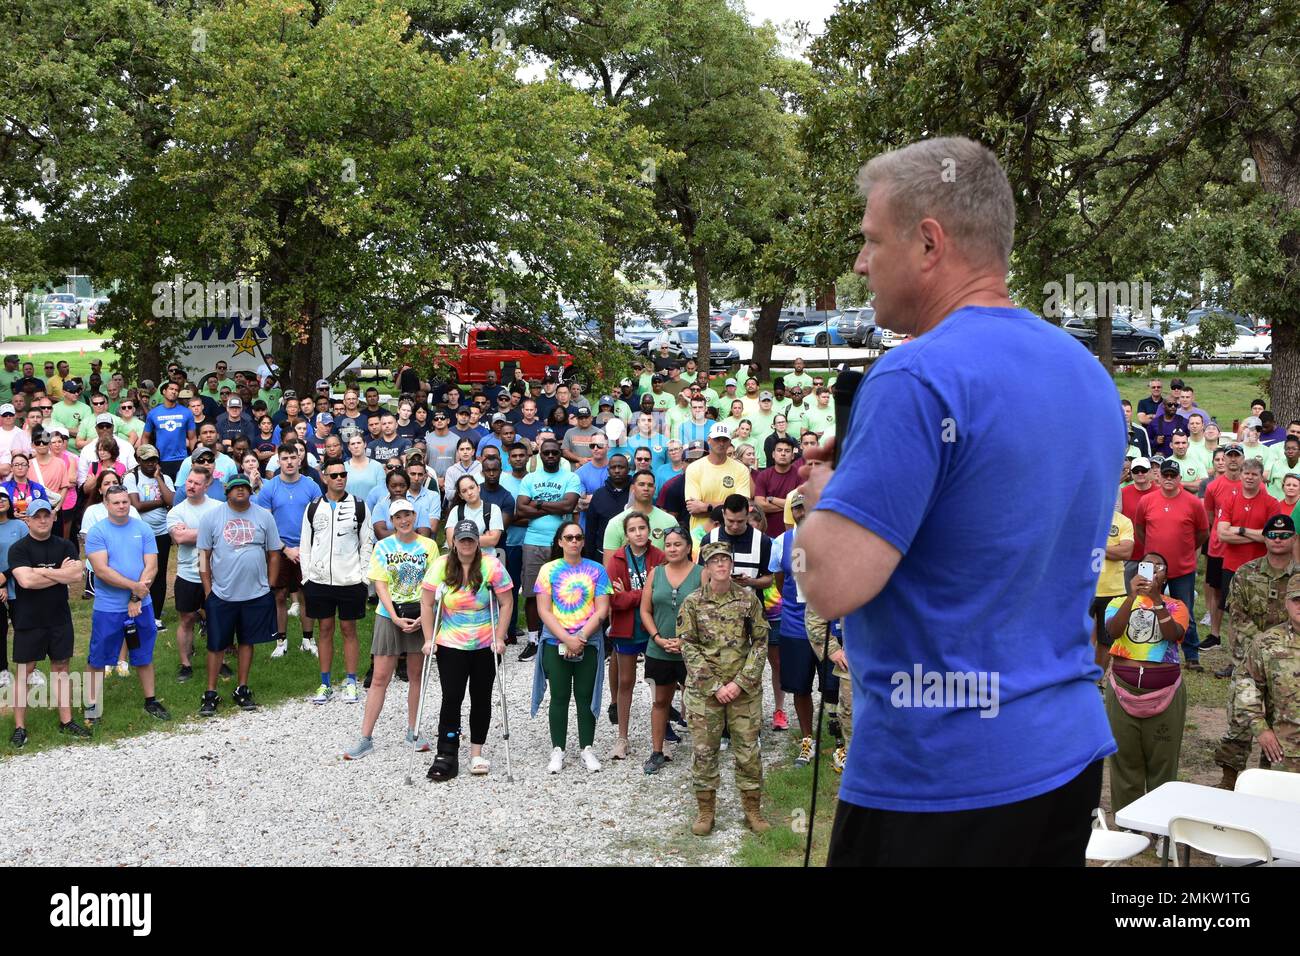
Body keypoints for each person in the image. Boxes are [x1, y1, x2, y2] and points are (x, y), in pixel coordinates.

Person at [797, 137, 1120, 866]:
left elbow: (833, 584)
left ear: (930, 243)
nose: (860, 263)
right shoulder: (1087, 372)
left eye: (871, 240)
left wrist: (820, 501)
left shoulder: (914, 375)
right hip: (1064, 756)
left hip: (941, 777)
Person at [678, 541, 771, 835]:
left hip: (743, 691)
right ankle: (706, 812)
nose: (721, 565)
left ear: (731, 565)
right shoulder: (692, 602)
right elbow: (688, 646)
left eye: (725, 561)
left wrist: (740, 683)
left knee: (748, 751)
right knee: (705, 752)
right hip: (706, 693)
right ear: (706, 567)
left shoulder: (748, 600)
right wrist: (715, 685)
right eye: (715, 561)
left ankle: (752, 811)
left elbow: (760, 642)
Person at [1208, 513, 1300, 788]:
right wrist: (1266, 646)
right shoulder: (1246, 573)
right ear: (1265, 538)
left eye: (1285, 535)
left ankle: (1269, 782)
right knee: (1240, 720)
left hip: (1289, 662)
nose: (1279, 539)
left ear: (1294, 538)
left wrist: (1281, 649)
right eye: (1273, 534)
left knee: (1280, 723)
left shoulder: (1298, 577)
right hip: (1249, 656)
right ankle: (1229, 779)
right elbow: (1237, 616)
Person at [420, 520, 514, 779]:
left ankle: (476, 753)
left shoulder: (491, 566)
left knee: (481, 696)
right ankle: (446, 753)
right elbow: (427, 604)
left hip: (485, 644)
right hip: (451, 643)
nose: (467, 544)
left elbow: (506, 602)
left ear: (477, 541)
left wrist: (500, 636)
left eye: (471, 539)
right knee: (451, 696)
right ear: (454, 542)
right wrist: (429, 639)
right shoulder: (441, 565)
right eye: (462, 540)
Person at [344, 500, 437, 758]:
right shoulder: (383, 546)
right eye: (398, 516)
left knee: (416, 675)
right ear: (392, 520)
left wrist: (424, 615)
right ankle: (365, 737)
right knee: (380, 677)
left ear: (414, 516)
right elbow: (381, 584)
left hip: (420, 613)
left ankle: (413, 730)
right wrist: (394, 617)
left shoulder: (428, 546)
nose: (404, 520)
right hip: (389, 614)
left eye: (407, 515)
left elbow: (432, 582)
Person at [1101, 553, 1188, 812]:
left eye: (1158, 567)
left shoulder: (1177, 606)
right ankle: (1129, 823)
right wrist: (1132, 597)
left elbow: (1173, 635)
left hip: (1165, 692)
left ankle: (1161, 826)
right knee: (1125, 759)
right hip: (1122, 689)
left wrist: (1157, 601)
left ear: (1165, 576)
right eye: (1146, 566)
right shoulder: (1118, 602)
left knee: (1163, 761)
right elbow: (1113, 632)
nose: (1152, 571)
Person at [196, 475, 283, 717]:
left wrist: (271, 585)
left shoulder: (264, 516)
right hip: (221, 594)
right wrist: (207, 590)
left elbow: (274, 552)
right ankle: (210, 692)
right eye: (235, 488)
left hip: (256, 593)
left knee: (247, 641)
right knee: (216, 644)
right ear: (227, 492)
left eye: (244, 487)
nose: (240, 491)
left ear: (250, 490)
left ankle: (242, 688)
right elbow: (204, 554)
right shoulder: (212, 517)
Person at [528, 520, 611, 774]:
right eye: (569, 537)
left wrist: (581, 637)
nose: (574, 541)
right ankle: (558, 749)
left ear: (583, 541)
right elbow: (543, 609)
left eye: (578, 537)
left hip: (589, 640)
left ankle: (587, 747)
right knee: (560, 695)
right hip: (556, 641)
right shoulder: (548, 570)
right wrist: (565, 637)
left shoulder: (597, 570)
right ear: (560, 542)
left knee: (585, 696)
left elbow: (602, 609)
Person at [6, 499, 89, 745]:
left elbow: (75, 575)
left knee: (62, 669)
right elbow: (26, 582)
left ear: (53, 518)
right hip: (28, 619)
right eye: (37, 516)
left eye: (46, 516)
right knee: (24, 672)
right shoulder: (18, 549)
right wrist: (58, 574)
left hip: (59, 618)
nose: (42, 520)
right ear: (28, 520)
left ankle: (66, 721)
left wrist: (41, 571)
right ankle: (20, 727)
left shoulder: (65, 545)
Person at [84, 486, 170, 722]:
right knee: (98, 657)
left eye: (125, 502)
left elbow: (152, 566)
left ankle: (150, 701)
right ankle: (92, 707)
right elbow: (101, 570)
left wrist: (136, 598)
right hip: (109, 606)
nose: (122, 506)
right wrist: (134, 588)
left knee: (143, 654)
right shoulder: (97, 532)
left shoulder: (142, 528)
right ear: (106, 503)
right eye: (116, 502)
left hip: (142, 603)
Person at [300, 457, 374, 705]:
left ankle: (351, 681)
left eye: (343, 474)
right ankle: (325, 683)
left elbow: (367, 543)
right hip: (319, 580)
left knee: (348, 629)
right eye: (334, 475)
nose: (339, 478)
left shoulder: (360, 506)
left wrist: (363, 577)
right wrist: (307, 576)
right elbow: (305, 545)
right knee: (325, 630)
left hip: (351, 580)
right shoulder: (312, 507)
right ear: (324, 478)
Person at [772, 491, 838, 765]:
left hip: (831, 628)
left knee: (834, 689)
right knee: (800, 687)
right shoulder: (782, 542)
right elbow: (780, 581)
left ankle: (840, 745)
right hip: (795, 627)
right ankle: (807, 740)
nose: (804, 512)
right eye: (798, 508)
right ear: (792, 511)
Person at [1133, 458, 1209, 670]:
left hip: (1182, 567)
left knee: (1186, 610)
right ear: (1159, 475)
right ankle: (1146, 648)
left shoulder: (1193, 502)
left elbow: (1203, 533)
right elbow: (1140, 529)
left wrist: (1186, 548)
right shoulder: (1147, 501)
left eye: (1172, 476)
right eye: (1164, 475)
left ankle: (1192, 655)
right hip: (1151, 568)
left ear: (1179, 478)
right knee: (1146, 606)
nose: (1168, 479)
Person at [513, 438, 582, 661]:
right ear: (539, 455)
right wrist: (553, 507)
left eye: (554, 453)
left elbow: (568, 506)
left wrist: (539, 504)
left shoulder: (570, 477)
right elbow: (521, 509)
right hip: (533, 541)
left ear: (560, 455)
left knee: (564, 591)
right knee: (533, 592)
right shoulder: (530, 478)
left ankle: (561, 636)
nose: (551, 456)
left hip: (562, 542)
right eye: (547, 453)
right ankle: (533, 640)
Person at [637, 526, 699, 774]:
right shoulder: (656, 573)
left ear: (688, 547)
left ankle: (701, 752)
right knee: (660, 700)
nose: (672, 549)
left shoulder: (701, 574)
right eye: (668, 545)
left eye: (677, 544)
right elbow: (645, 610)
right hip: (659, 648)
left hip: (692, 650)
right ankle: (657, 751)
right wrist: (658, 637)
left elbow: (707, 612)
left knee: (695, 702)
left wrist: (685, 640)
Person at [604, 512, 665, 760]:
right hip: (626, 629)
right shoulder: (617, 559)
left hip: (653, 628)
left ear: (649, 530)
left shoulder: (659, 557)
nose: (638, 533)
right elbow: (614, 599)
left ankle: (660, 736)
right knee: (626, 681)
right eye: (633, 529)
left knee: (656, 682)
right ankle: (622, 737)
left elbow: (662, 592)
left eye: (642, 528)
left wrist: (632, 593)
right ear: (626, 534)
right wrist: (644, 593)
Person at [258, 445, 323, 661]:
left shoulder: (312, 486)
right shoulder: (269, 488)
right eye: (284, 458)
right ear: (278, 460)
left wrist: (304, 549)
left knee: (307, 596)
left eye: (293, 457)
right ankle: (281, 641)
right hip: (278, 550)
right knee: (279, 595)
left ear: (299, 459)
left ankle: (307, 640)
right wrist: (285, 549)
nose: (289, 462)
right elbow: (266, 524)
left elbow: (319, 521)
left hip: (307, 549)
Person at [1235, 571, 1300, 773]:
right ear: (1286, 602)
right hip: (1284, 752)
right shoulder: (1266, 642)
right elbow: (1246, 685)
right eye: (1297, 599)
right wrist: (1260, 729)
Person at [166, 465, 223, 683]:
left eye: (197, 483)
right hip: (188, 573)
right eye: (189, 481)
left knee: (218, 618)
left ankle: (221, 661)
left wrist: (192, 532)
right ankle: (185, 663)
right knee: (187, 618)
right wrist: (208, 531)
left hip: (217, 573)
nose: (191, 486)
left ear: (207, 485)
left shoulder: (219, 508)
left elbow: (223, 533)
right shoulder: (176, 511)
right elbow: (179, 538)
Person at [684, 423, 752, 537]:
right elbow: (694, 509)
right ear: (709, 440)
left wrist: (706, 507)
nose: (721, 443)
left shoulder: (741, 469)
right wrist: (728, 507)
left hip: (733, 532)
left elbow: (742, 507)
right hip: (700, 535)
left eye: (725, 439)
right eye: (717, 439)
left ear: (730, 442)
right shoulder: (694, 468)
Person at [144, 380, 196, 481]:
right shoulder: (153, 413)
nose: (174, 392)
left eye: (176, 390)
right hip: (161, 459)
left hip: (182, 459)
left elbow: (193, 438)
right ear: (164, 391)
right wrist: (146, 457)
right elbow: (145, 437)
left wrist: (194, 459)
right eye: (171, 389)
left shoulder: (186, 412)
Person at [753, 437, 801, 537]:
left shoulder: (800, 475)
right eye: (779, 450)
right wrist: (788, 505)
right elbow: (760, 505)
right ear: (773, 454)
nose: (783, 453)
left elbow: (799, 506)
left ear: (792, 456)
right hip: (768, 534)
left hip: (793, 534)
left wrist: (772, 499)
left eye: (787, 451)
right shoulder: (764, 475)